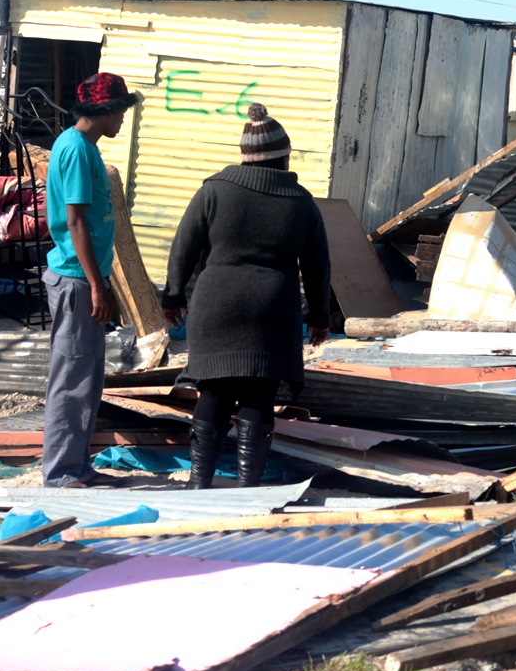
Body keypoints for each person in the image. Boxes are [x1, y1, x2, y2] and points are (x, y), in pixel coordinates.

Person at [162, 104, 331, 488]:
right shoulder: (301, 201)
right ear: (283, 156)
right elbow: (318, 267)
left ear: (245, 155)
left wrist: (172, 296)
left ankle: (198, 482)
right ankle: (246, 487)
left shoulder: (214, 191)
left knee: (215, 389)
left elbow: (183, 247)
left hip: (216, 302)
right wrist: (320, 317)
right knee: (259, 393)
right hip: (273, 307)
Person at [41, 72, 138, 488]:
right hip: (77, 281)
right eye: (120, 113)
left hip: (83, 277)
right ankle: (62, 473)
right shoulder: (77, 150)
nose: (122, 122)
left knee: (87, 380)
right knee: (71, 379)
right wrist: (98, 285)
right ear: (105, 112)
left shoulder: (83, 146)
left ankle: (77, 467)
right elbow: (76, 222)